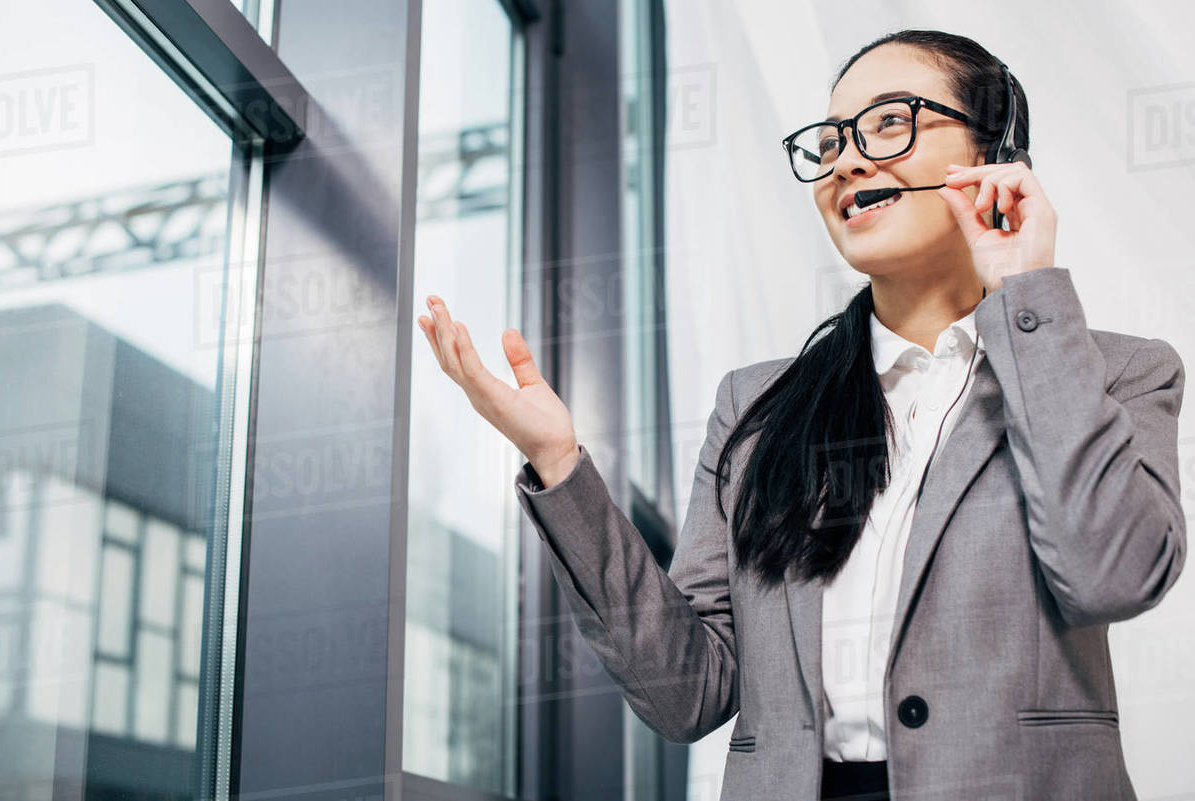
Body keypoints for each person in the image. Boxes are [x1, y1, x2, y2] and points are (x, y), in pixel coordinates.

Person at [416, 29, 1185, 801]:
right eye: (830, 143)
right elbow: (688, 691)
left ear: (995, 154)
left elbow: (1110, 575)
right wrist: (559, 465)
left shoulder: (1120, 372)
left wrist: (1028, 293)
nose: (847, 160)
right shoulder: (755, 409)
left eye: (890, 122)